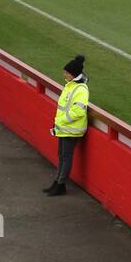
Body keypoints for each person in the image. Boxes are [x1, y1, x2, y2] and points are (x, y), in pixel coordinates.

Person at [44, 55, 89, 197]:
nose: (64, 74)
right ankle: (57, 181)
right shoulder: (71, 86)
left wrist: (61, 121)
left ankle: (61, 184)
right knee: (61, 156)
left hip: (71, 129)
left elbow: (79, 111)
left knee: (65, 156)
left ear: (74, 74)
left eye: (67, 72)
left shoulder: (81, 89)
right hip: (64, 127)